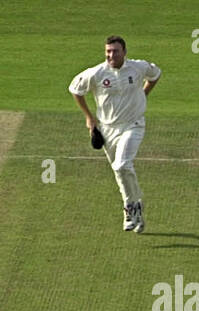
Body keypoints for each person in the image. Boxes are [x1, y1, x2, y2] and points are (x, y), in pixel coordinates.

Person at [69, 35, 161, 232]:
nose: (111, 55)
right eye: (108, 51)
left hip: (133, 125)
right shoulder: (96, 73)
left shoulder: (138, 67)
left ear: (124, 53)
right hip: (107, 128)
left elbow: (155, 75)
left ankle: (130, 208)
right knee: (119, 173)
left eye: (115, 51)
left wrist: (143, 95)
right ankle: (136, 205)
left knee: (122, 164)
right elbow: (75, 89)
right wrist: (89, 118)